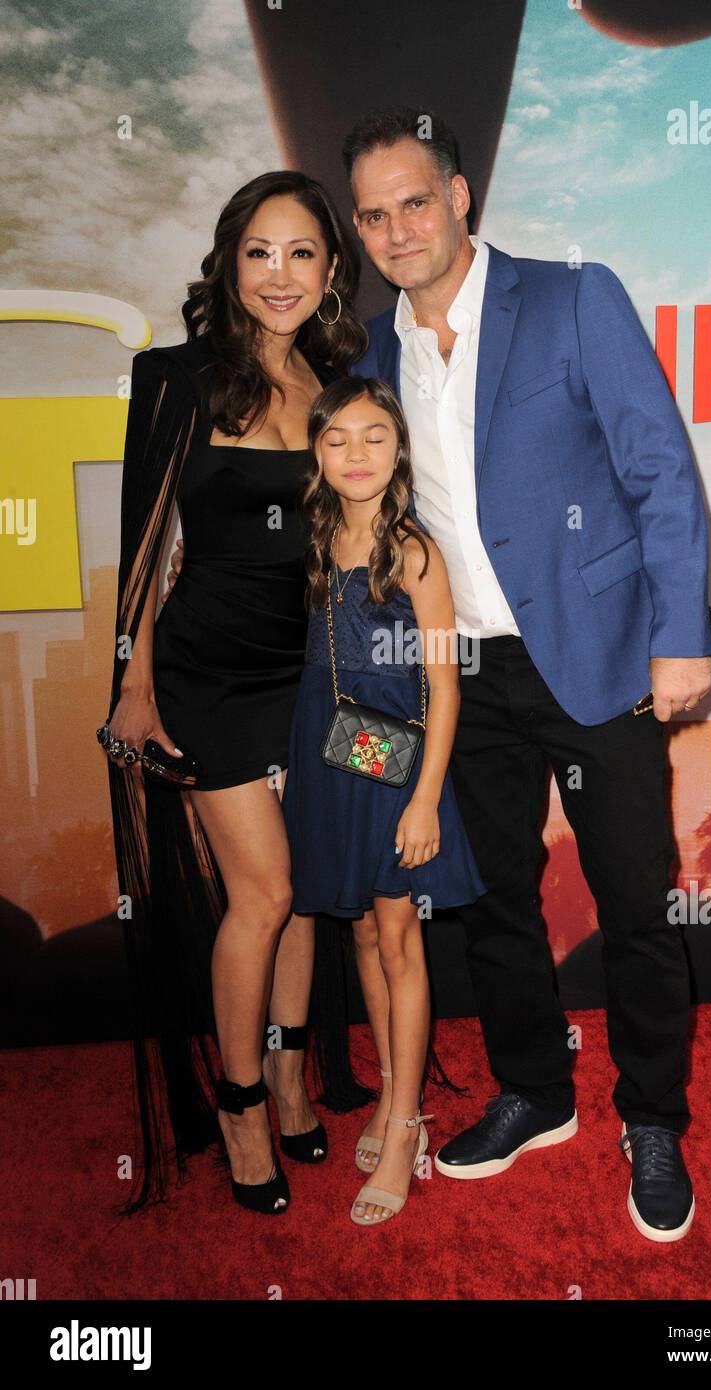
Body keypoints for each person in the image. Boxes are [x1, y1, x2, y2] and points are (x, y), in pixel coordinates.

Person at [340, 106, 711, 1242]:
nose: (398, 228)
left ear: (461, 198)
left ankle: (651, 1115)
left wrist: (684, 631)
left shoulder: (569, 296)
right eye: (373, 213)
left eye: (416, 200)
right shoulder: (372, 353)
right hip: (463, 676)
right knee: (494, 897)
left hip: (596, 658)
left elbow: (658, 464)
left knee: (634, 902)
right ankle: (535, 1092)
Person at [101, 171, 375, 1217]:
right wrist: (135, 680)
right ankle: (242, 1101)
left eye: (302, 253)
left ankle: (297, 1067)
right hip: (205, 675)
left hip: (307, 674)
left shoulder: (339, 391)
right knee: (260, 893)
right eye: (260, 251)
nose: (280, 274)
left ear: (329, 272)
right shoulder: (176, 378)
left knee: (303, 889)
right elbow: (142, 543)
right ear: (229, 262)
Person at [282, 375, 486, 1224]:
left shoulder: (413, 549)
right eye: (337, 440)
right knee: (362, 929)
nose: (356, 455)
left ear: (399, 448)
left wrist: (425, 800)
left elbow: (446, 683)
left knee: (399, 937)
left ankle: (407, 1126)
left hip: (398, 764)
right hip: (330, 756)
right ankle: (393, 1090)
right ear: (317, 453)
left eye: (374, 436)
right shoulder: (314, 536)